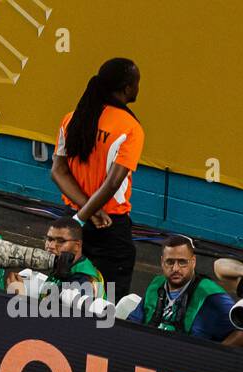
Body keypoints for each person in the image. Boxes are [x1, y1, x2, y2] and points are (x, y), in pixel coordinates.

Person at [52, 58, 144, 297]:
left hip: (71, 218)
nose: (138, 88)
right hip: (109, 226)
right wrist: (86, 216)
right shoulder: (130, 128)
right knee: (109, 302)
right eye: (137, 83)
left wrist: (80, 216)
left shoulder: (72, 118)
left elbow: (58, 171)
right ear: (127, 88)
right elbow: (113, 183)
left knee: (61, 295)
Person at [128, 236, 243, 347]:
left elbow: (241, 335)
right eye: (170, 262)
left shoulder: (211, 295)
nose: (175, 269)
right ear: (162, 261)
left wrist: (210, 358)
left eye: (182, 262)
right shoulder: (156, 285)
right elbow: (132, 324)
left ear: (193, 262)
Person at [5, 217, 106, 299]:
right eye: (49, 239)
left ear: (77, 246)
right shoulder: (65, 264)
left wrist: (20, 296)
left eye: (61, 241)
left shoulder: (83, 282)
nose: (51, 246)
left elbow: (54, 322)